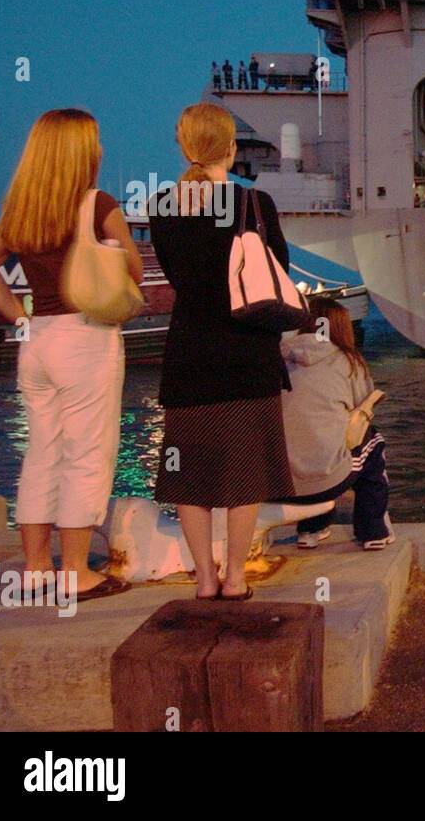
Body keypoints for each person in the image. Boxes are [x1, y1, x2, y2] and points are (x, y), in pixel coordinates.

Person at [0, 109, 141, 603]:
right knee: (88, 454)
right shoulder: (97, 205)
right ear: (81, 152)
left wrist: (20, 317)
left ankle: (34, 570)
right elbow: (131, 267)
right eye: (96, 141)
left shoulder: (21, 209)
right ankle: (74, 572)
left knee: (43, 453)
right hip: (85, 337)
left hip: (38, 340)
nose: (103, 149)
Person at [149, 103, 296, 601]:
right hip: (247, 350)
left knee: (189, 472)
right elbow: (278, 272)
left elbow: (176, 278)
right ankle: (235, 577)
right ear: (230, 149)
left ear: (185, 147)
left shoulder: (162, 207)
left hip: (189, 352)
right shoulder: (256, 204)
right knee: (246, 470)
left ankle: (204, 579)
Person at [271, 297, 394, 550]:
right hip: (325, 483)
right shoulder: (348, 362)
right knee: (372, 442)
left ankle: (311, 530)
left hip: (276, 485)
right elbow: (364, 405)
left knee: (303, 436)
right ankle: (374, 531)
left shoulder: (276, 356)